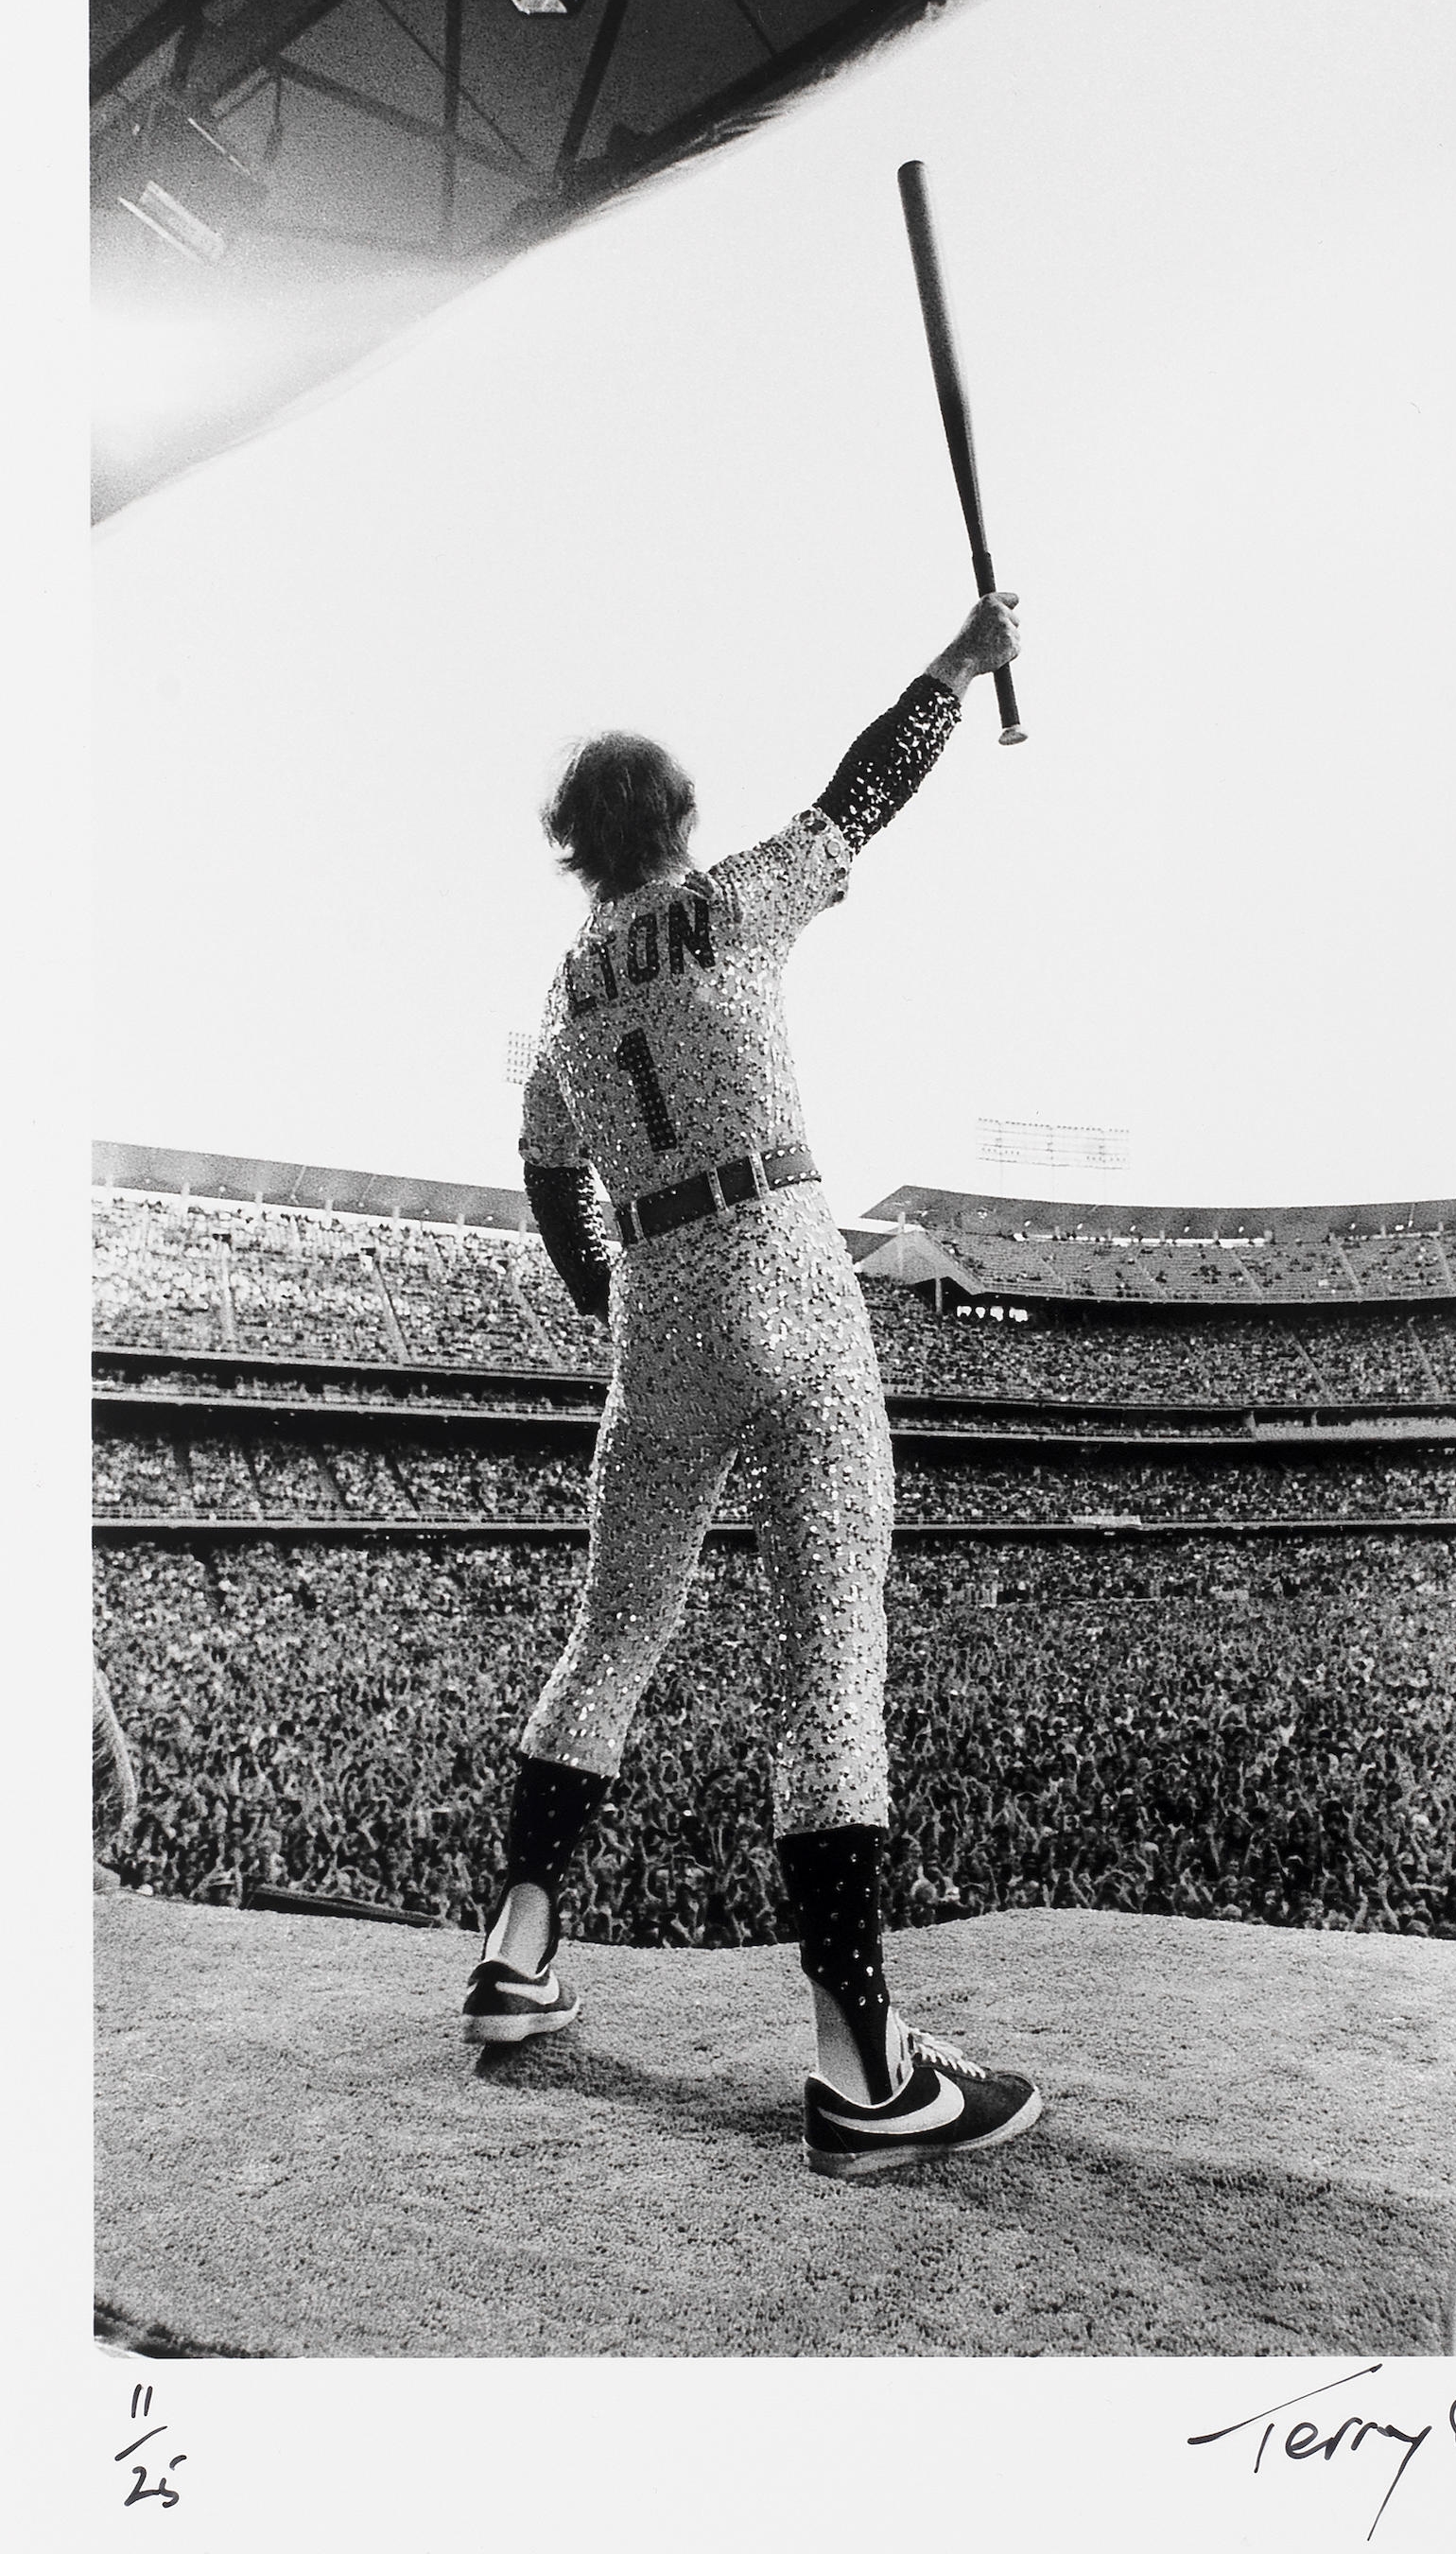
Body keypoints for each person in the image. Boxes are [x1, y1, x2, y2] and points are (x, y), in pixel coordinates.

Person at [462, 592, 1043, 2180]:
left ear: (573, 851)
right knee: (827, 1653)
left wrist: (611, 1301)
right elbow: (866, 792)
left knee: (613, 1635)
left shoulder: (566, 999)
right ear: (679, 823)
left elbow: (541, 1164)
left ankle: (518, 1954)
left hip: (658, 1311)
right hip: (784, 1269)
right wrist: (959, 663)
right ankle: (866, 2067)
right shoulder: (730, 905)